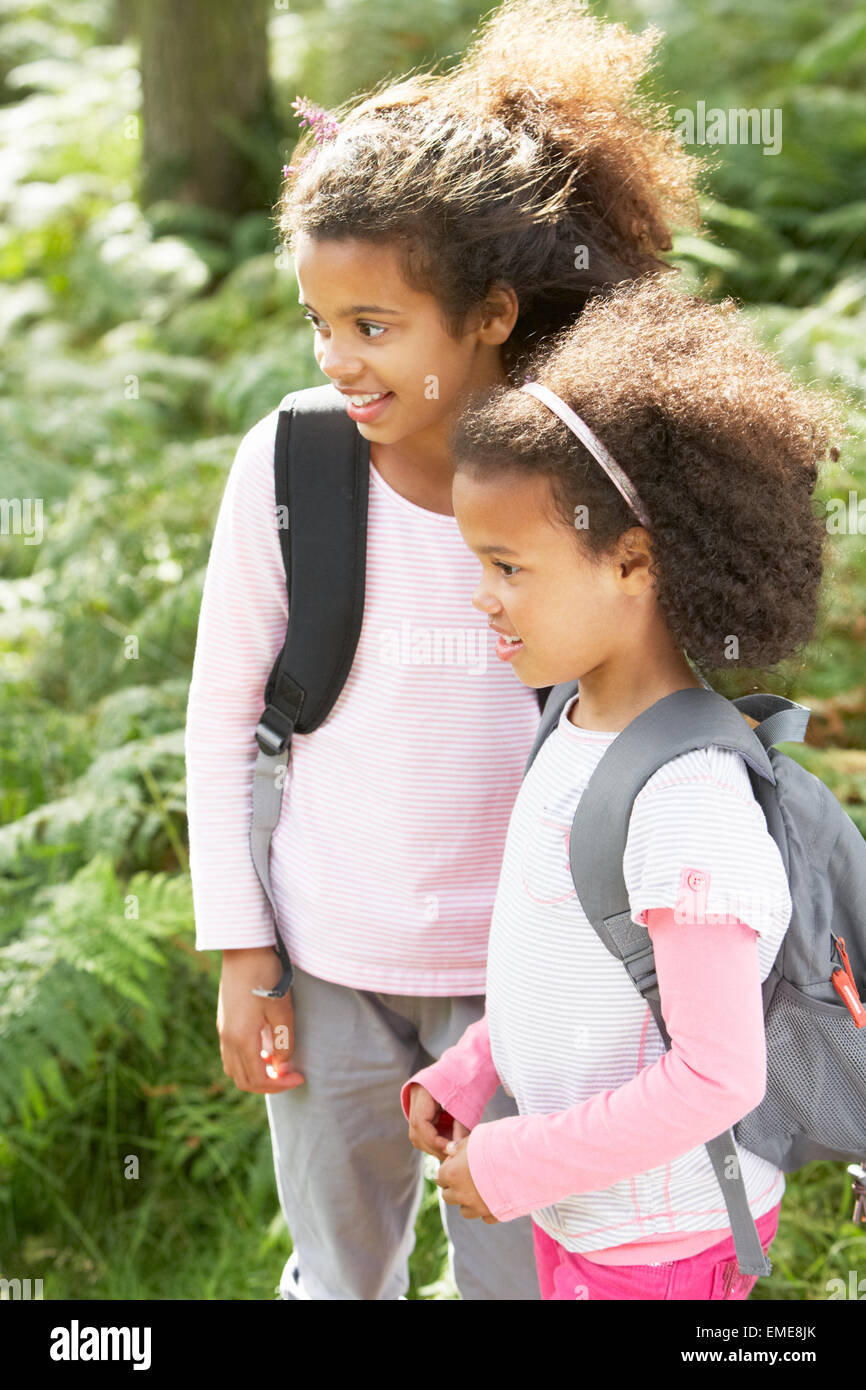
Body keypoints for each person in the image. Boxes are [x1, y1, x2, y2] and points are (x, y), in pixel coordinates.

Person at [185, 0, 703, 1300]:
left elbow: (647, 714)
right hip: (324, 956)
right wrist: (243, 956)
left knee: (520, 1276)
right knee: (337, 1269)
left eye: (376, 325)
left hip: (527, 968)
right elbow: (221, 716)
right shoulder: (292, 462)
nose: (338, 358)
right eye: (318, 321)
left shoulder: (577, 470)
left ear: (486, 313)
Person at [403, 275, 842, 1300]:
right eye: (478, 562)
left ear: (633, 563)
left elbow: (717, 1076)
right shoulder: (570, 724)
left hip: (664, 1239)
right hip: (590, 1216)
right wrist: (475, 1069)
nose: (482, 595)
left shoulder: (685, 800)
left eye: (508, 565)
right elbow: (569, 971)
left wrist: (514, 1163)